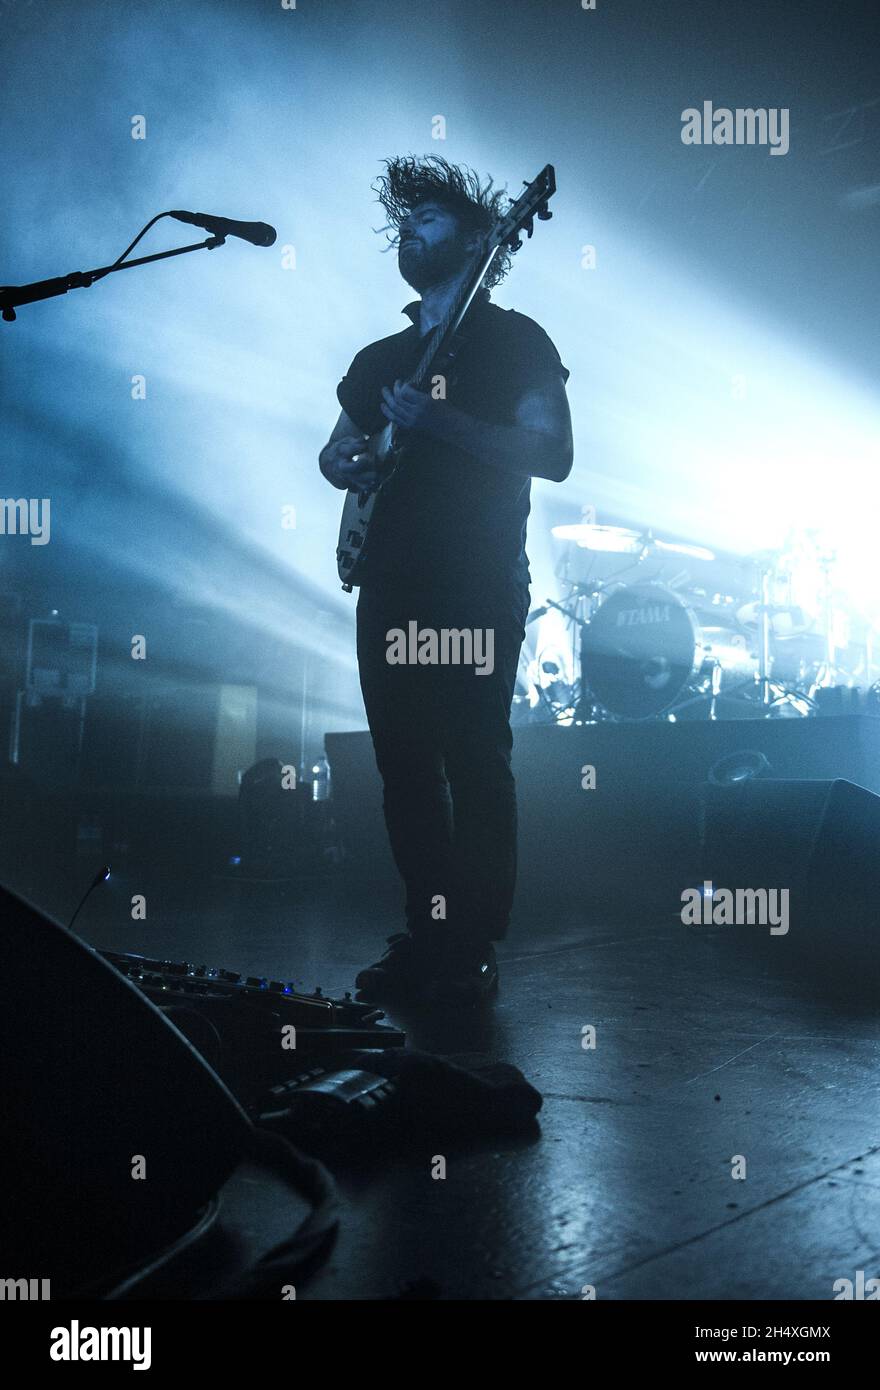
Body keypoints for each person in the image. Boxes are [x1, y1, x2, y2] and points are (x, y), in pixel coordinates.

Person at [319, 155, 572, 1004]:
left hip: (473, 582)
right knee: (403, 765)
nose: (410, 232)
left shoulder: (516, 342)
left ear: (479, 238)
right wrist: (341, 459)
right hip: (389, 577)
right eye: (406, 222)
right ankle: (428, 930)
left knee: (473, 757)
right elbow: (334, 450)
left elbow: (555, 454)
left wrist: (444, 421)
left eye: (428, 221)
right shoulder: (382, 354)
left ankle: (473, 941)